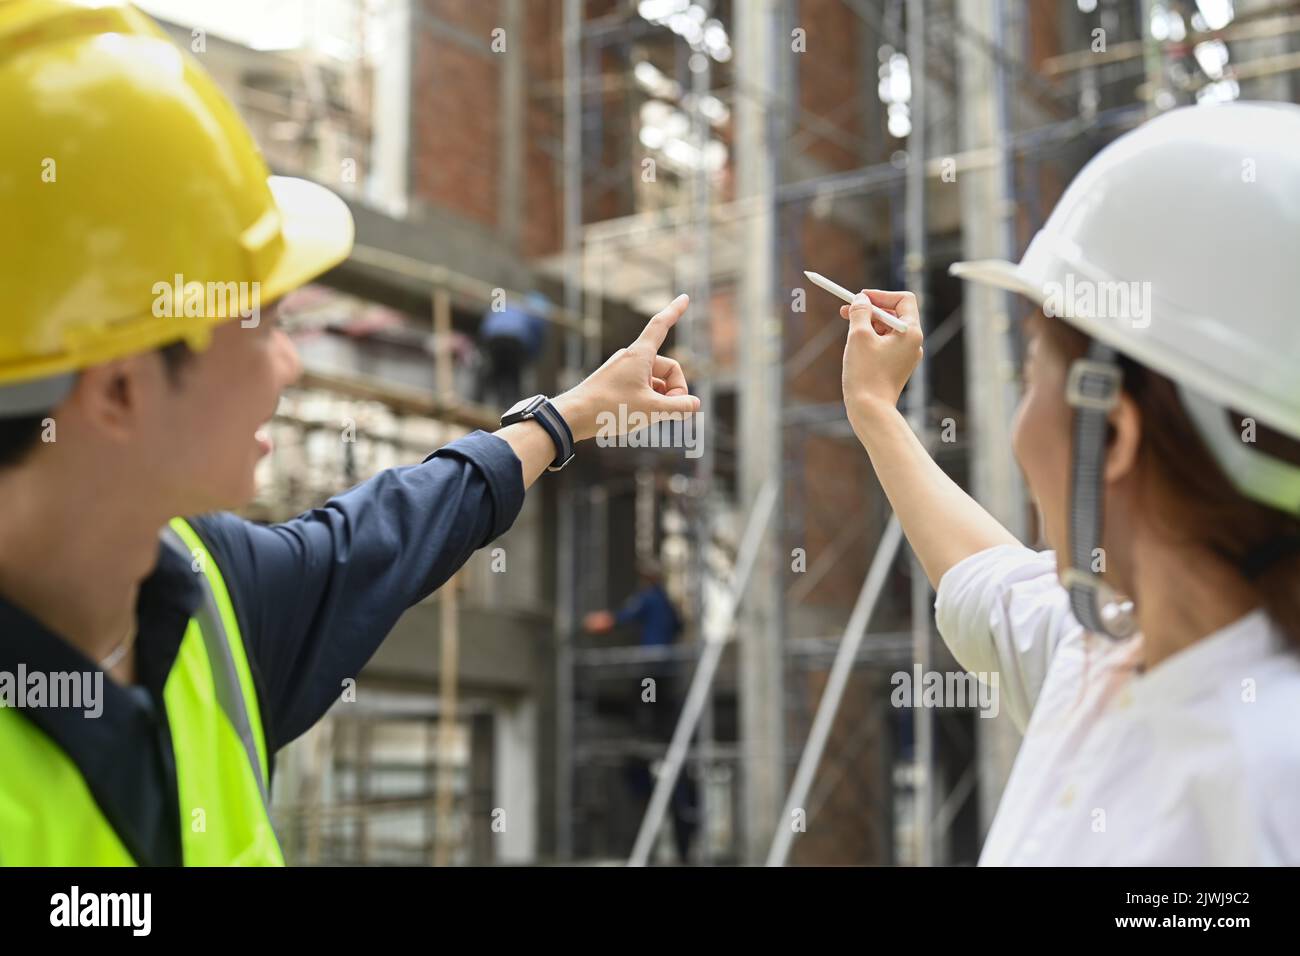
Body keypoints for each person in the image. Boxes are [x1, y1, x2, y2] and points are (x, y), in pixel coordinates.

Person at [0, 0, 699, 866]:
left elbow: (390, 530)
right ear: (119, 390)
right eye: (262, 323)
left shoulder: (202, 593)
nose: (290, 364)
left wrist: (569, 416)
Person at [836, 102, 1300, 865]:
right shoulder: (1114, 647)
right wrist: (875, 410)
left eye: (1028, 381)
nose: (1018, 431)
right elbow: (984, 576)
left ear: (1112, 434)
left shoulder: (1263, 791)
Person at [478, 292, 550, 410]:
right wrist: (531, 358)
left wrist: (483, 346)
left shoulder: (509, 306)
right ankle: (511, 412)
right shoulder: (534, 313)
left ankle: (481, 407)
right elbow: (537, 341)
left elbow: (486, 325)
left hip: (494, 339)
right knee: (513, 381)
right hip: (516, 342)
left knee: (492, 375)